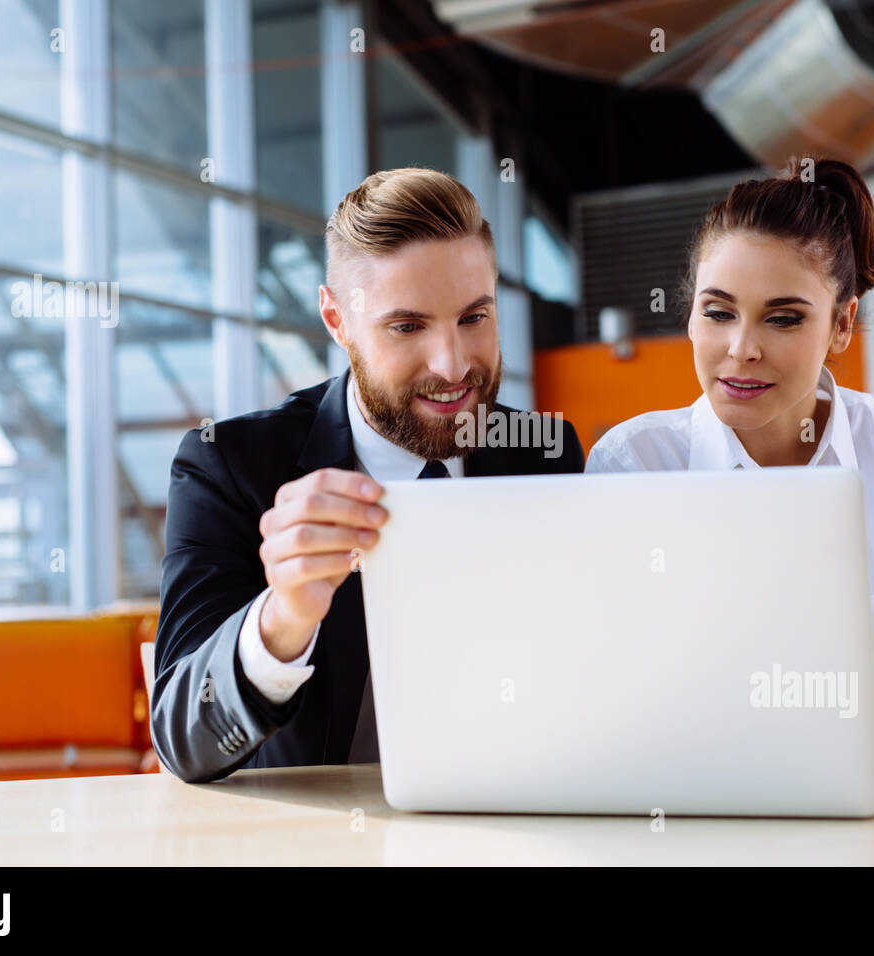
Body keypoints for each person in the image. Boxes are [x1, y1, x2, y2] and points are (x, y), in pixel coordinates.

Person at [586, 157, 874, 773]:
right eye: (718, 313)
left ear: (842, 324)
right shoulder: (635, 467)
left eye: (783, 318)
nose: (742, 349)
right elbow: (625, 712)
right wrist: (869, 735)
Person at [152, 168, 584, 783]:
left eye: (473, 318)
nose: (452, 366)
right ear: (337, 320)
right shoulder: (230, 465)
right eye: (407, 326)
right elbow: (183, 741)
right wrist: (283, 618)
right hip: (317, 831)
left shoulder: (543, 453)